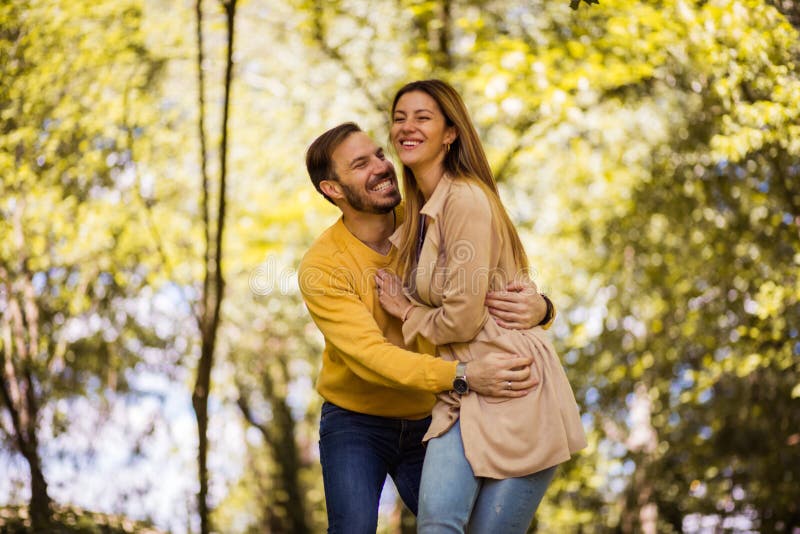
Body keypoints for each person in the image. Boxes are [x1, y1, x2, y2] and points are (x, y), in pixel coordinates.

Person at [298, 122, 557, 534]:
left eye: (380, 155)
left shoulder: (427, 219)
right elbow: (371, 358)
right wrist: (463, 377)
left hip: (434, 413)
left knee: (463, 525)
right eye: (361, 164)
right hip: (357, 421)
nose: (382, 167)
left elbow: (490, 278)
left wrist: (541, 307)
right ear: (333, 189)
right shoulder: (323, 266)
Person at [376, 79, 587, 533]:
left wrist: (408, 313)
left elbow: (465, 316)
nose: (407, 127)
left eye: (422, 117)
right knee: (437, 526)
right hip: (462, 391)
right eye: (399, 118)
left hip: (515, 386)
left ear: (450, 133)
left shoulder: (466, 199)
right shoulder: (420, 212)